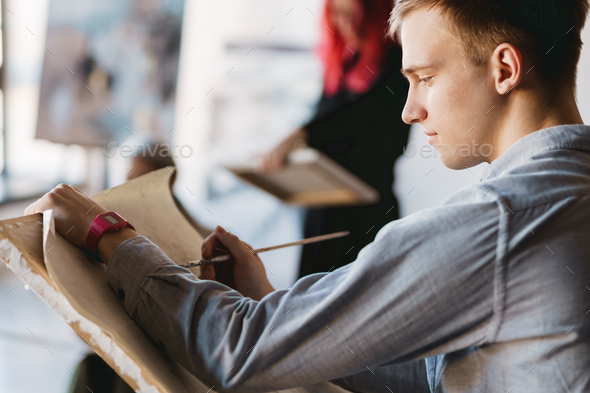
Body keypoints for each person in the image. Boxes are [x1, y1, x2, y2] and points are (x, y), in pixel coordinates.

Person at [26, 0, 590, 391]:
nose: (409, 109)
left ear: (505, 69)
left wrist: (107, 231)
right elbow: (438, 377)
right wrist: (279, 306)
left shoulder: (495, 224)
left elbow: (236, 350)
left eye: (425, 77)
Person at [258, 0, 411, 278]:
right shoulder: (341, 66)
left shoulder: (396, 65)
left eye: (353, 15)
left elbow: (359, 126)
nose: (345, 23)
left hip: (366, 215)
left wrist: (301, 134)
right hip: (323, 212)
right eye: (337, 15)